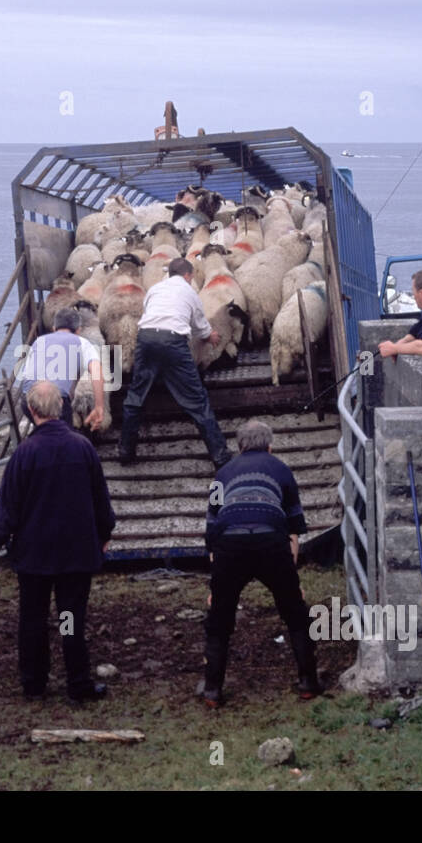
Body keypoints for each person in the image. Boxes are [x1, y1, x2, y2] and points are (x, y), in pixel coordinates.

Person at [0, 380, 116, 702]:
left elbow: (8, 507)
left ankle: (34, 683)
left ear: (31, 410)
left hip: (35, 554)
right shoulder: (83, 448)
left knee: (33, 618)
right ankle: (78, 684)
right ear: (62, 407)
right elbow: (101, 499)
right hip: (75, 551)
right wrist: (104, 534)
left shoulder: (24, 454)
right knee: (70, 617)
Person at [200, 418, 320, 707]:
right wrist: (293, 583)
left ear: (239, 446)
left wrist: (217, 586)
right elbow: (293, 528)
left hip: (230, 543)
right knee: (295, 614)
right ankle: (307, 683)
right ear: (270, 444)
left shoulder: (222, 474)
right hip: (270, 541)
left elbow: (212, 528)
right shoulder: (281, 470)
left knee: (219, 619)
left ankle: (212, 691)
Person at [117, 258, 231, 468]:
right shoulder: (190, 292)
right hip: (173, 342)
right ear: (188, 275)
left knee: (136, 395)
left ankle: (125, 450)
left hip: (146, 338)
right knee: (197, 399)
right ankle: (220, 455)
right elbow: (199, 325)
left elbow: (150, 314)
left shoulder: (154, 289)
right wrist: (210, 336)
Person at [13, 308, 105, 430]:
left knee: (45, 434)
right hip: (55, 402)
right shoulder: (82, 342)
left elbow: (26, 374)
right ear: (78, 330)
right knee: (62, 439)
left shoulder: (39, 341)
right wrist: (99, 406)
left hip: (28, 400)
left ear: (54, 328)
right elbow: (96, 371)